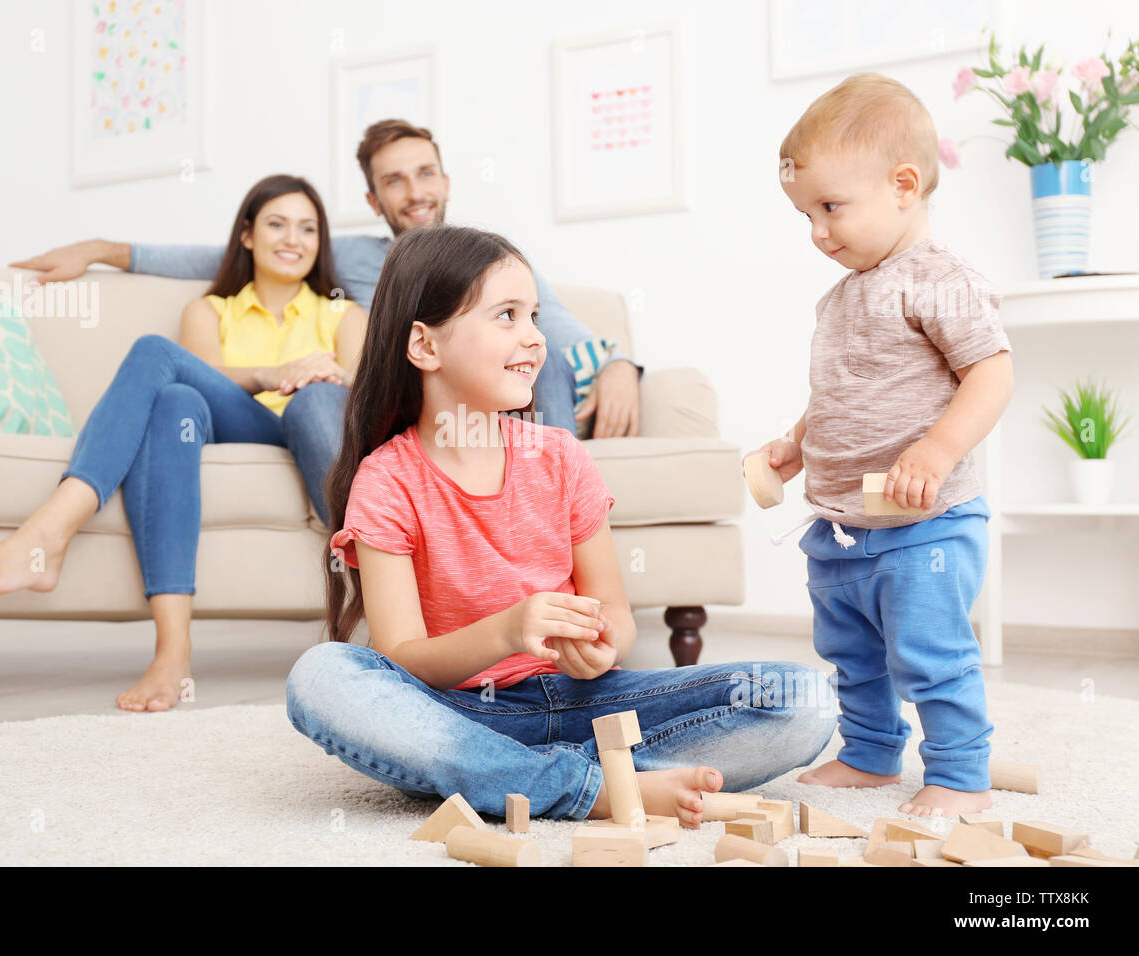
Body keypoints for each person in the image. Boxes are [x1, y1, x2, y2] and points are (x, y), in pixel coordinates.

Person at [283, 225, 836, 824]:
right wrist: (506, 631)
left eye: (534, 317)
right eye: (507, 316)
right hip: (458, 713)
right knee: (322, 675)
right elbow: (404, 659)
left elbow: (616, 616)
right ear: (425, 345)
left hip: (587, 704)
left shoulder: (561, 457)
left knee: (803, 699)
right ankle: (591, 788)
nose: (535, 339)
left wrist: (603, 647)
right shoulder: (386, 480)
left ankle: (507, 778)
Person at [0, 175, 367, 712]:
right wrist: (274, 371)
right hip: (242, 422)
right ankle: (171, 652)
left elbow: (357, 394)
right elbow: (204, 377)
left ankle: (49, 532)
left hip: (310, 431)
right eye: (277, 224)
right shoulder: (209, 310)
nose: (293, 238)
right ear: (248, 236)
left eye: (308, 228)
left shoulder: (344, 314)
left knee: (298, 398)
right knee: (175, 402)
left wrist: (316, 376)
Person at [9, 119, 643, 439]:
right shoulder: (351, 259)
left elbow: (552, 328)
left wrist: (619, 366)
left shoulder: (497, 263)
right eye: (394, 181)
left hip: (493, 406)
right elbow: (226, 256)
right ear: (374, 200)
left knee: (551, 364)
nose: (414, 192)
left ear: (446, 183)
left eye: (425, 174)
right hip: (412, 408)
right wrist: (103, 249)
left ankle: (558, 519)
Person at [753, 74, 1014, 817]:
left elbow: (991, 374)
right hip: (841, 527)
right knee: (852, 656)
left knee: (932, 656)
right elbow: (842, 393)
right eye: (806, 214)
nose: (818, 231)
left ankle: (962, 775)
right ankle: (869, 756)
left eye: (831, 207)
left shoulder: (942, 280)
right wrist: (796, 444)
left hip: (924, 525)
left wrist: (935, 450)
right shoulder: (838, 299)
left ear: (904, 185)